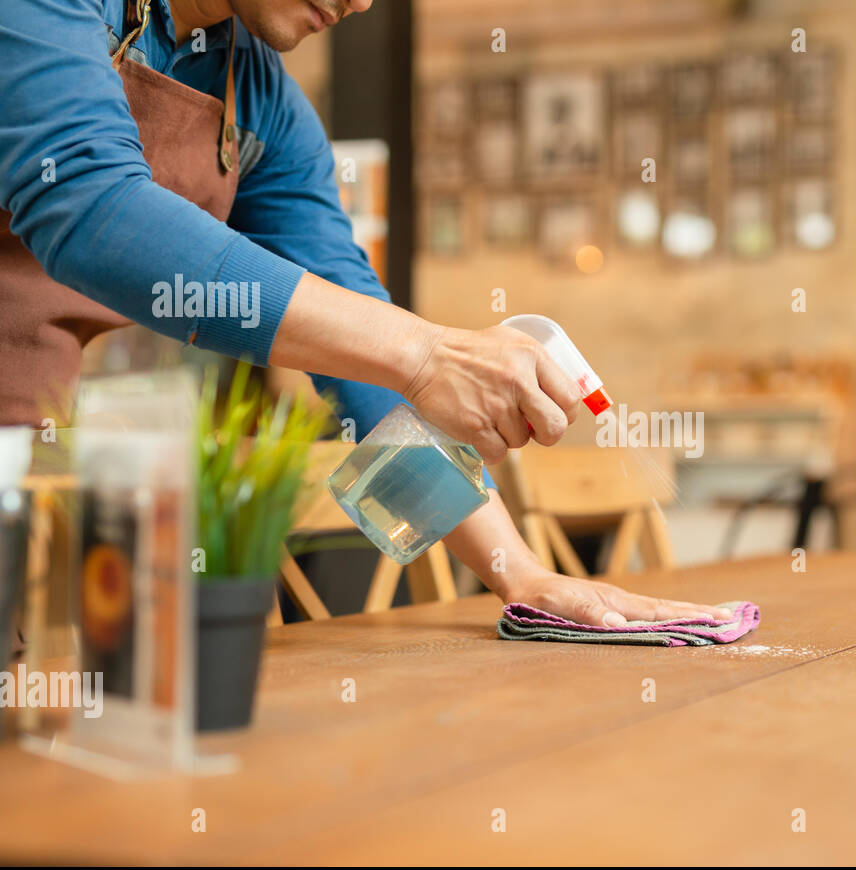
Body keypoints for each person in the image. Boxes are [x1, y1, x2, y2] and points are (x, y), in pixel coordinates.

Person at [0, 0, 729, 627]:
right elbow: (92, 210)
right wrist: (426, 354)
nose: (362, 4)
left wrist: (521, 576)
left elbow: (370, 378)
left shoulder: (261, 103)